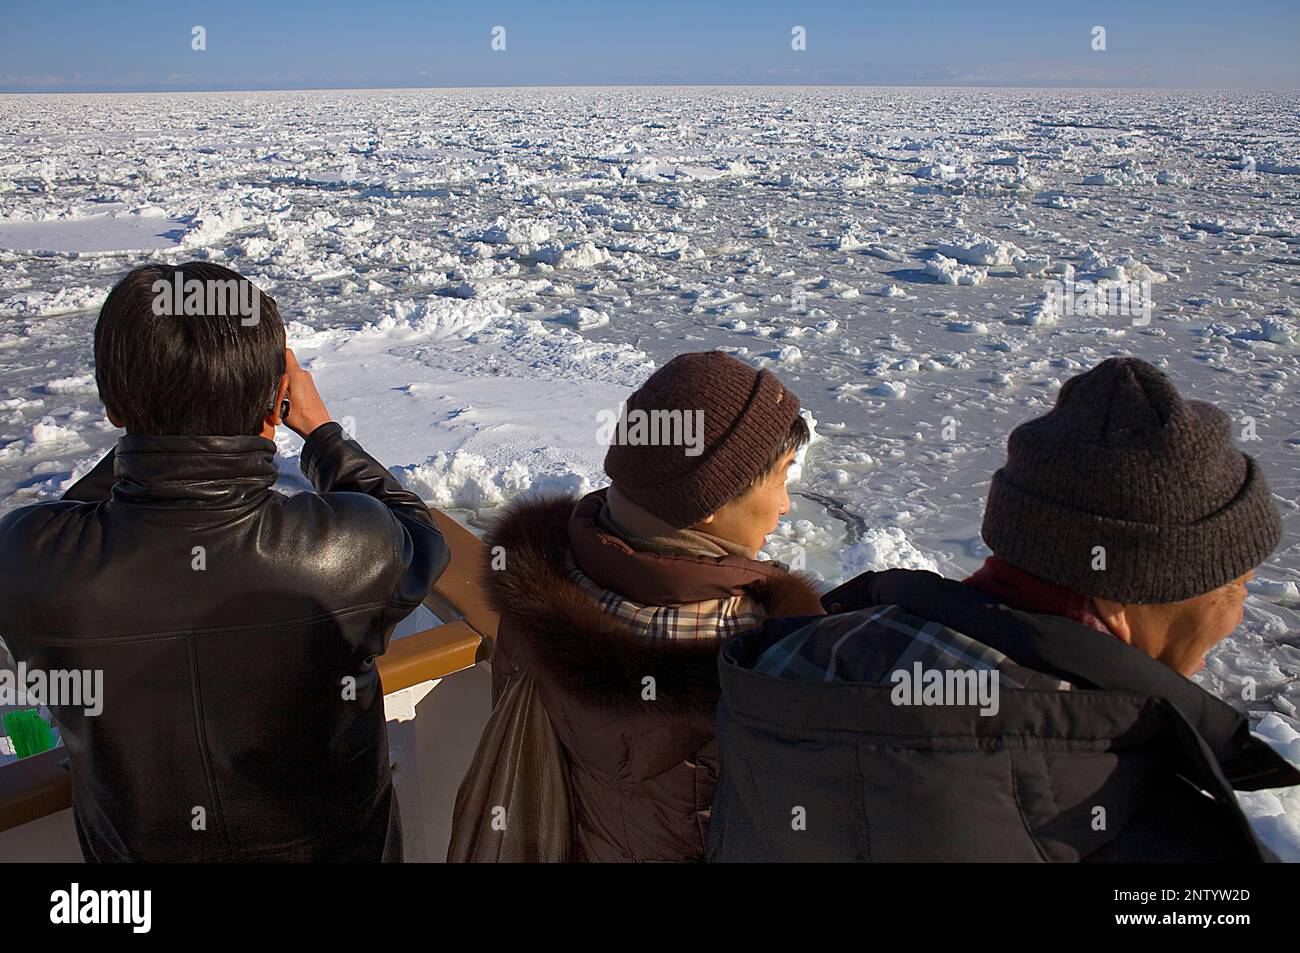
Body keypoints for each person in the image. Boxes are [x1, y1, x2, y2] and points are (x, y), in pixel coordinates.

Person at [707, 357, 1300, 862]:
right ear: (1123, 601)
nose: (1237, 617)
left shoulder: (782, 665)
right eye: (1235, 587)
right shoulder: (1144, 826)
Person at [0, 262, 449, 862]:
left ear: (111, 406)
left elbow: (76, 518)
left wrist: (150, 429)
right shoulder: (350, 546)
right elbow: (422, 535)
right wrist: (320, 431)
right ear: (274, 403)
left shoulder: (30, 560)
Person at [475, 351, 824, 862]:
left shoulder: (543, 584)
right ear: (708, 503)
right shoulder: (759, 654)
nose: (785, 504)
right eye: (781, 477)